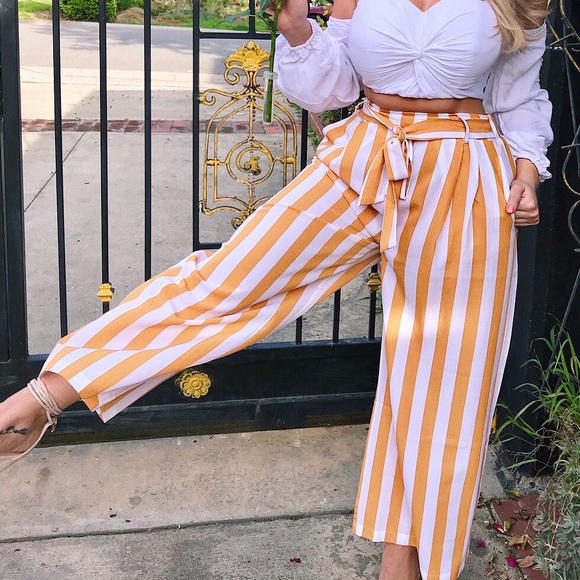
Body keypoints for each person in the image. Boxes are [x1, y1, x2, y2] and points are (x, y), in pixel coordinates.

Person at [1, 0, 552, 578]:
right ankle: (43, 399)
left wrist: (525, 173)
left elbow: (520, 98)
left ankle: (405, 562)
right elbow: (333, 88)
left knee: (444, 375)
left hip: (466, 173)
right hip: (363, 156)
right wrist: (295, 30)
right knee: (228, 280)